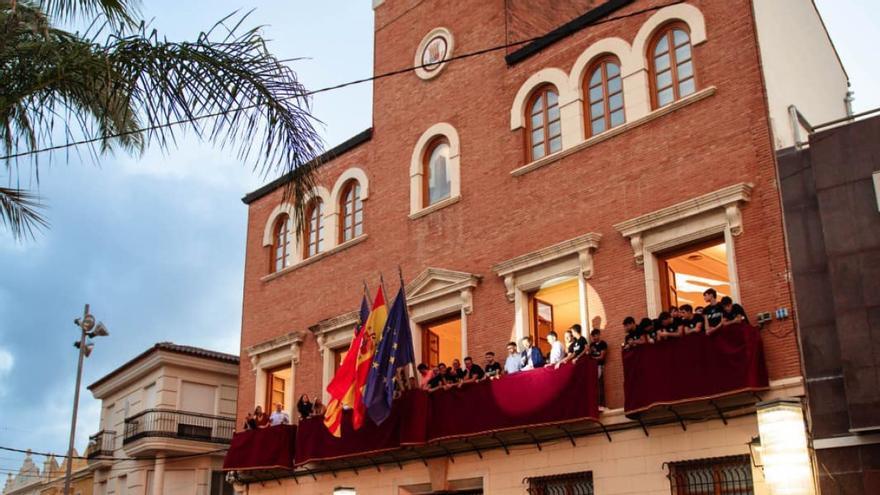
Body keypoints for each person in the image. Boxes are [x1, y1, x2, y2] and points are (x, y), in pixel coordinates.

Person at [588, 328, 608, 409]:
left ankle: (601, 404)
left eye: (596, 335)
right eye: (593, 336)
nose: (594, 338)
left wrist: (593, 359)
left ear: (599, 335)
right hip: (592, 367)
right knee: (594, 385)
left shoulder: (603, 344)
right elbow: (589, 355)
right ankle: (595, 404)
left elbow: (602, 356)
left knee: (600, 385)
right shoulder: (591, 345)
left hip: (599, 366)